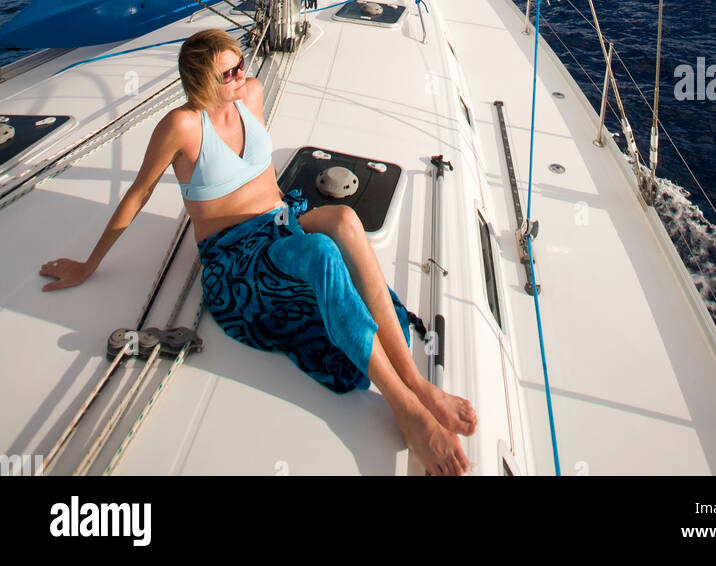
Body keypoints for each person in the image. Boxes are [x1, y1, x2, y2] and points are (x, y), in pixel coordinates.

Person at [40, 27, 475, 476]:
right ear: (201, 81)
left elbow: (263, 171)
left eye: (240, 64)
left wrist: (244, 85)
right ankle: (407, 409)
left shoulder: (251, 95)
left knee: (345, 220)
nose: (240, 75)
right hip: (235, 256)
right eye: (227, 73)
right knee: (323, 255)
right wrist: (89, 265)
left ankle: (420, 387)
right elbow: (139, 193)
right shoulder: (183, 126)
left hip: (281, 223)